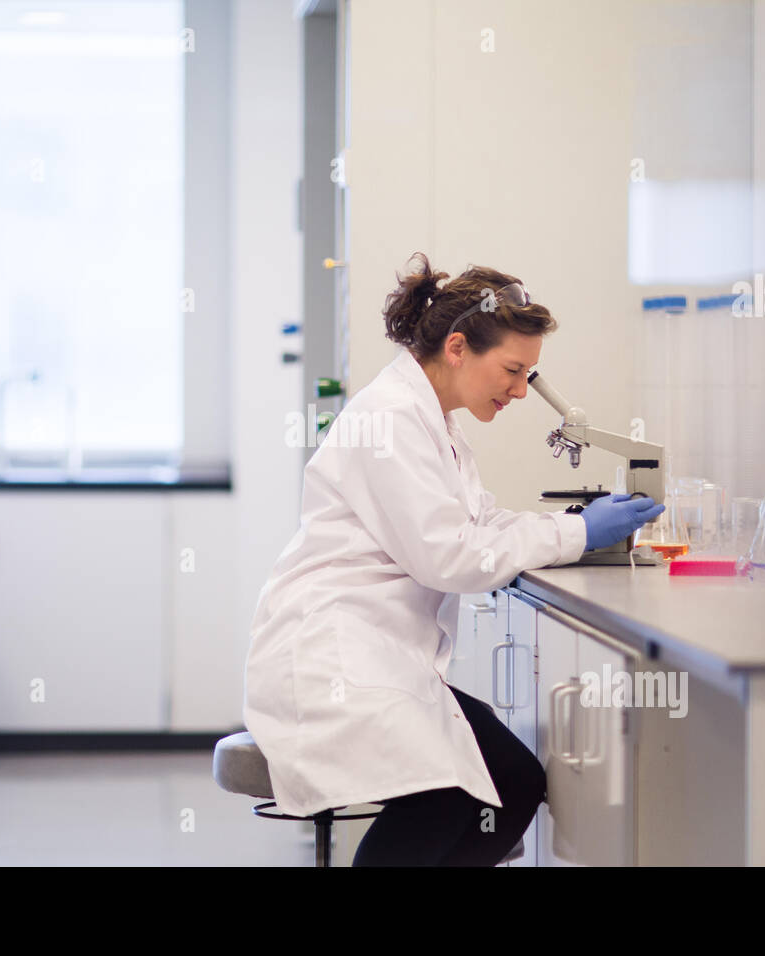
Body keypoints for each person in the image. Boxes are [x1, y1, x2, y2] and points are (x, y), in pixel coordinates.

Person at [243, 252, 663, 866]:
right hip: (331, 661)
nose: (522, 390)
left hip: (381, 658)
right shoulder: (389, 421)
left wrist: (575, 526)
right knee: (443, 795)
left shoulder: (433, 421)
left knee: (514, 784)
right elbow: (450, 557)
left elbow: (479, 523)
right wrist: (577, 535)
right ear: (459, 346)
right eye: (515, 371)